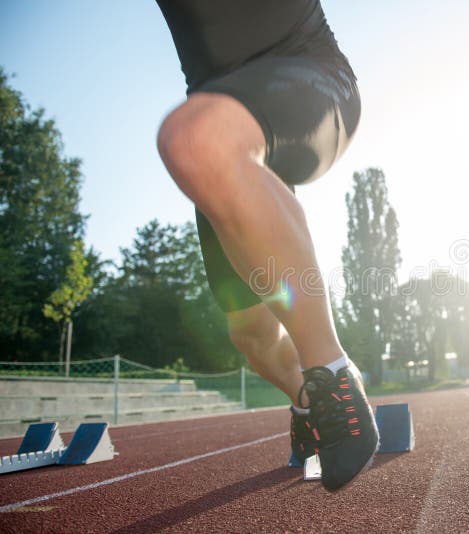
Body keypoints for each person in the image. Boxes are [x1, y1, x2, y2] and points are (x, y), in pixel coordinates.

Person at [155, 0, 378, 492]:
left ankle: (333, 374)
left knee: (194, 139)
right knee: (251, 333)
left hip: (310, 76)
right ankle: (304, 400)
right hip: (222, 120)